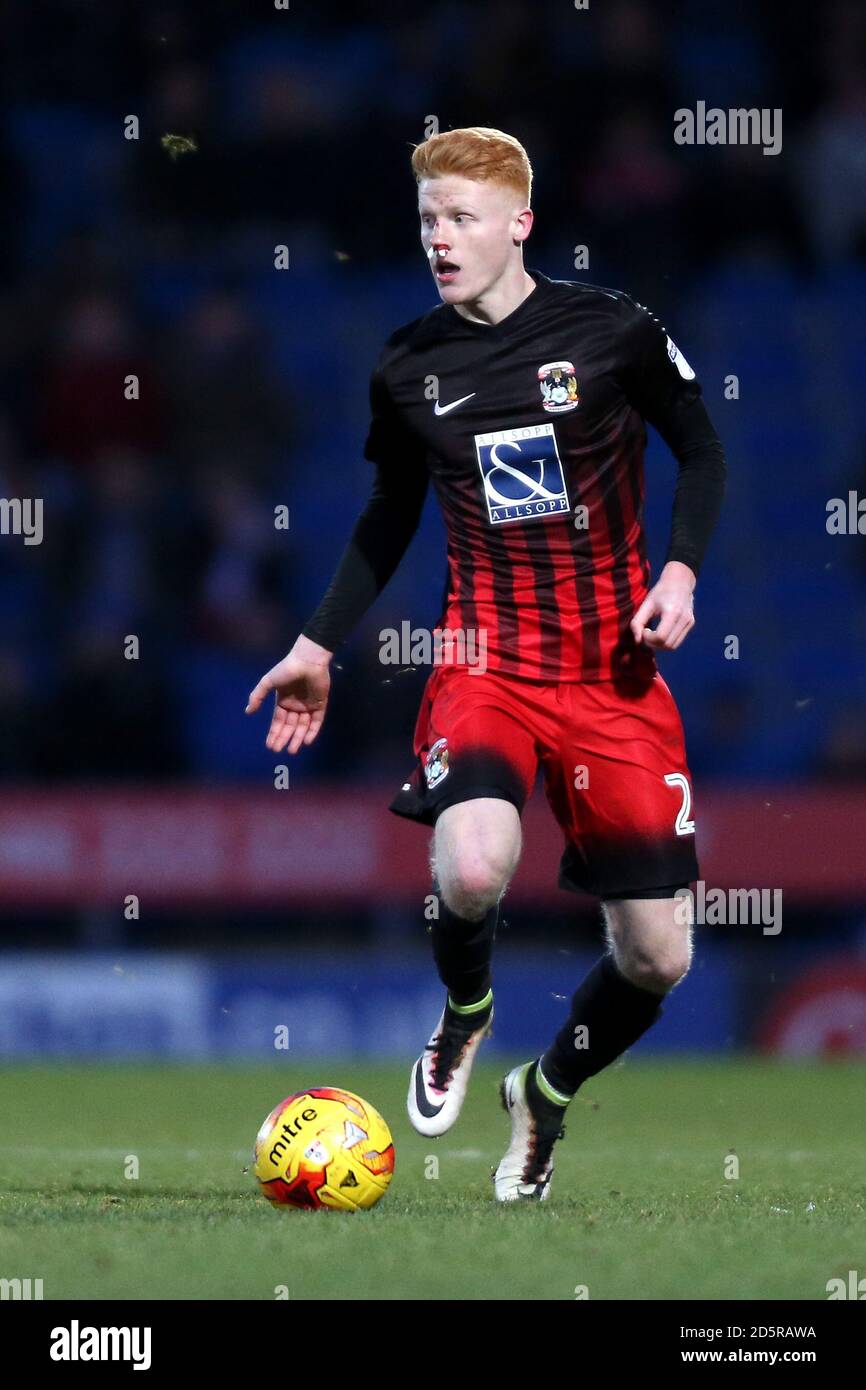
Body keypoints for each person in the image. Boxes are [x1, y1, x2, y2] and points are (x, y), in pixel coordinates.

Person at [246, 126, 726, 1201]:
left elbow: (699, 446)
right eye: (426, 220)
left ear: (520, 224)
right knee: (470, 865)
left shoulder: (612, 332)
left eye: (460, 218)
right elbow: (387, 514)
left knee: (656, 958)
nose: (439, 239)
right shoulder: (409, 365)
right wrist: (315, 643)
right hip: (486, 660)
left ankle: (542, 1096)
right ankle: (464, 1014)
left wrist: (682, 575)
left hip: (611, 672)